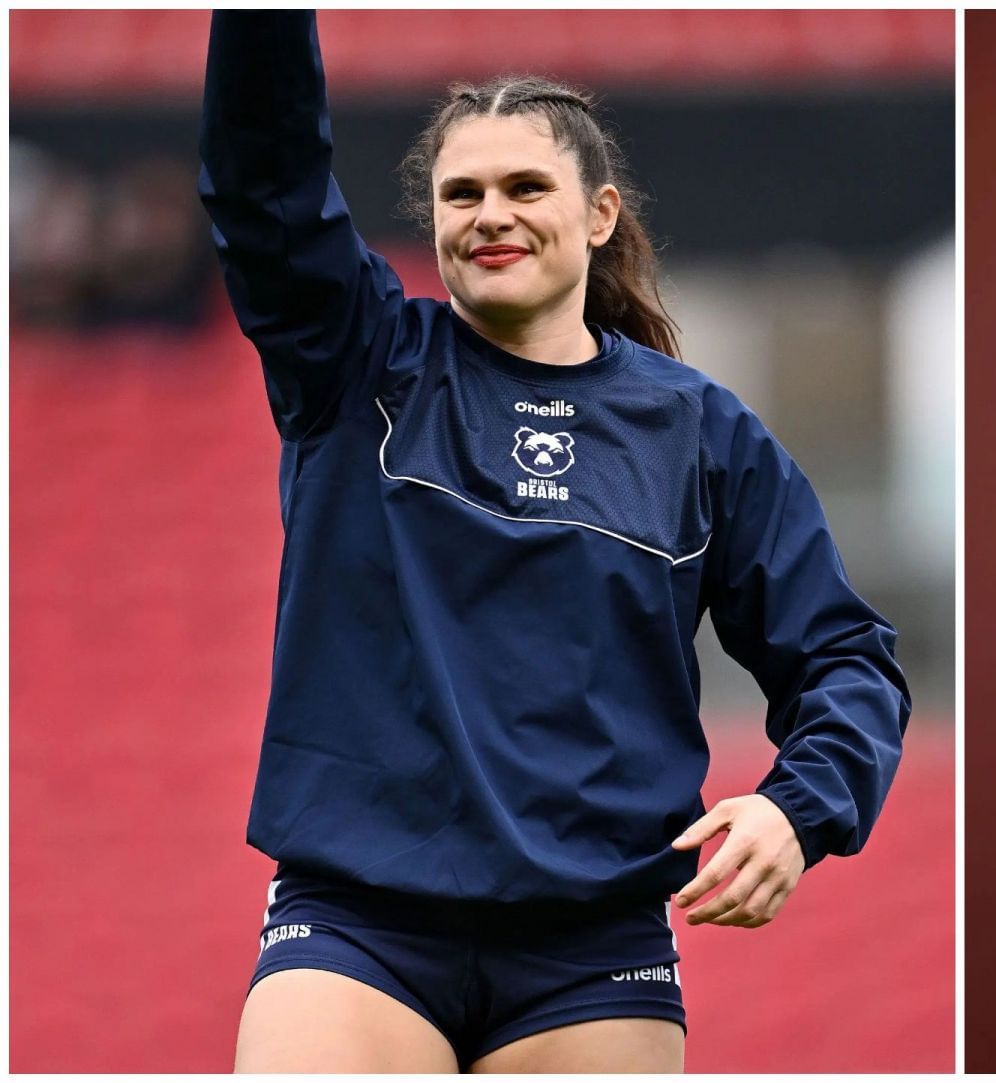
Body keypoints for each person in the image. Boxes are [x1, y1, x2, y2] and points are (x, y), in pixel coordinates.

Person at [199, 11, 910, 1073]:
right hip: (358, 927)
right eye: (462, 194)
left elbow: (846, 661)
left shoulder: (704, 435)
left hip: (593, 953)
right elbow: (264, 180)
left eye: (526, 188)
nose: (493, 215)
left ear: (599, 214)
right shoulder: (358, 360)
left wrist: (797, 812)